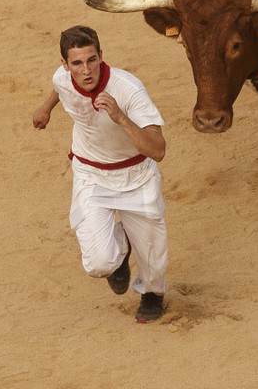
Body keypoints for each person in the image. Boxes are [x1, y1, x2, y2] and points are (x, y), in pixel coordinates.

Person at [33, 25, 168, 322]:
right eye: (77, 63)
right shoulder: (62, 78)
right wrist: (46, 108)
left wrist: (120, 117)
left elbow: (158, 149)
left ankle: (151, 294)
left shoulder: (128, 89)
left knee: (153, 260)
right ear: (65, 65)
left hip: (137, 176)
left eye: (92, 60)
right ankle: (123, 247)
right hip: (91, 175)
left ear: (101, 56)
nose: (86, 71)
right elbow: (60, 88)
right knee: (98, 264)